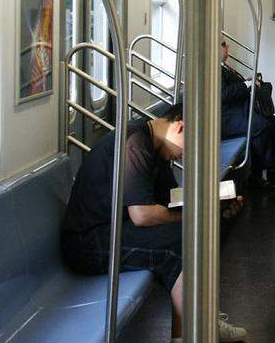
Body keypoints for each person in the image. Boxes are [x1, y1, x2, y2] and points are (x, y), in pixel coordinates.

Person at [60, 103, 247, 342]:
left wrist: (215, 207)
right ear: (181, 126)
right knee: (182, 238)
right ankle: (197, 327)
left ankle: (196, 325)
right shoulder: (135, 144)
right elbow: (143, 214)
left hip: (113, 231)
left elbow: (171, 202)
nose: (185, 155)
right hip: (87, 243)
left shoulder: (155, 149)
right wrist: (196, 215)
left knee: (192, 232)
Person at [221, 39, 275, 186]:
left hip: (239, 111)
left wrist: (247, 81)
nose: (227, 47)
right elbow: (223, 94)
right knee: (261, 127)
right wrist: (246, 84)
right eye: (223, 44)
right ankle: (256, 177)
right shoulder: (213, 69)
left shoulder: (224, 67)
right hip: (227, 117)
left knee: (271, 120)